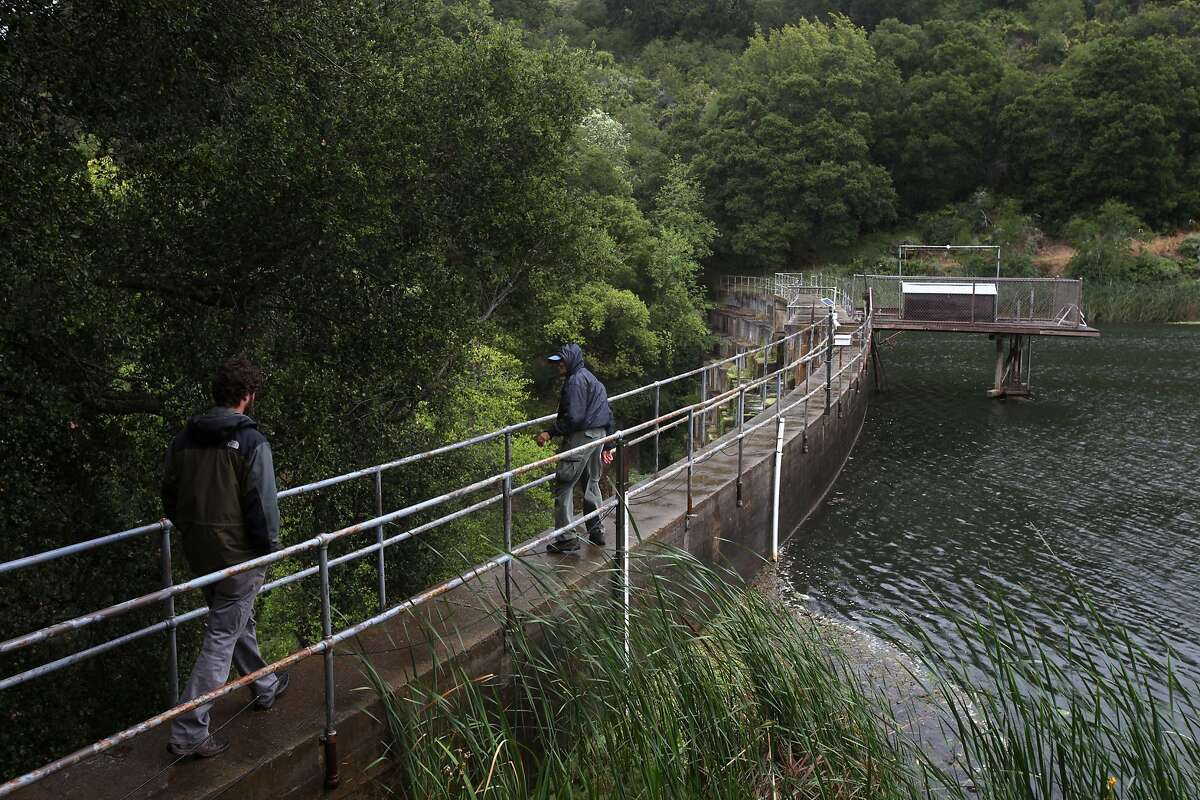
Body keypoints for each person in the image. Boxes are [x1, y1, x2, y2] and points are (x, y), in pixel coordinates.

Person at [162, 356, 287, 759]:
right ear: (248, 397)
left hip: (200, 554)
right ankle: (188, 729)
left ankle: (264, 686)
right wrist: (268, 549)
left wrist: (192, 531)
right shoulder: (251, 443)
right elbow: (261, 505)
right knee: (221, 635)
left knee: (232, 620)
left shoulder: (184, 440)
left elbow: (169, 494)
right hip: (238, 557)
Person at [536, 343, 615, 554]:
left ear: (571, 360)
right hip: (598, 436)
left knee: (564, 484)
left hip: (581, 436)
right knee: (591, 482)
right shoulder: (592, 379)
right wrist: (608, 443)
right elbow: (608, 412)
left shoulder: (575, 381)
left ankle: (566, 539)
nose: (558, 365)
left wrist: (550, 432)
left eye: (561, 361)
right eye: (557, 362)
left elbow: (575, 417)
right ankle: (596, 530)